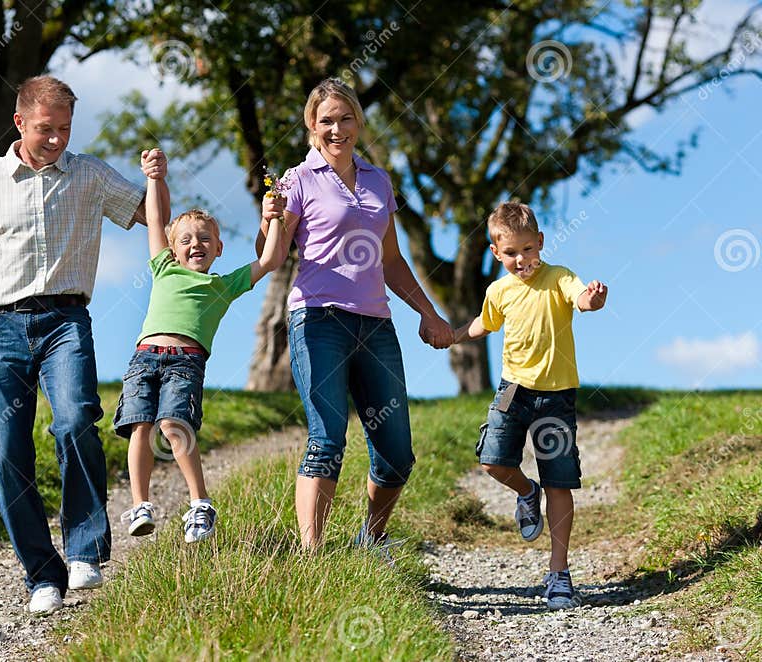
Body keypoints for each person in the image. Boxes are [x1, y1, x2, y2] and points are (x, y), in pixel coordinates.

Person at [0, 75, 167, 615]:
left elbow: (150, 217)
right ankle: (42, 573)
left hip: (65, 321)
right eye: (46, 129)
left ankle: (84, 551)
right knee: (5, 451)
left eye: (65, 128)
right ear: (19, 122)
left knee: (76, 420)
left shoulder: (89, 175)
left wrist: (157, 182)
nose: (57, 139)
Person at [254, 77, 453, 552]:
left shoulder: (379, 180)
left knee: (397, 455)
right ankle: (313, 558)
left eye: (346, 119)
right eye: (326, 120)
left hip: (375, 324)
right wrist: (268, 219)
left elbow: (392, 259)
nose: (336, 129)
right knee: (327, 439)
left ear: (359, 123)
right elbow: (271, 255)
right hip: (318, 319)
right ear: (311, 124)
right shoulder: (297, 180)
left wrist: (429, 312)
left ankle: (371, 540)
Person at [113, 164, 287, 542]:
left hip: (185, 362)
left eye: (206, 238)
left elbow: (271, 259)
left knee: (174, 426)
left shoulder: (224, 285)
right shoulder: (163, 268)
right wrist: (154, 178)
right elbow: (155, 218)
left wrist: (274, 216)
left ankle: (200, 504)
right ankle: (140, 504)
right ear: (172, 249)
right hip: (144, 358)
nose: (196, 244)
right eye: (186, 239)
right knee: (140, 426)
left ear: (219, 248)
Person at [452, 201, 608, 609]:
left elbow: (581, 300)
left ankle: (559, 573)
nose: (521, 259)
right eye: (511, 253)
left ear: (539, 242)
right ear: (495, 252)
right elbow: (484, 324)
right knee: (492, 461)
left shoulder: (559, 277)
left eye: (527, 249)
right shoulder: (498, 291)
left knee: (560, 482)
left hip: (556, 396)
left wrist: (593, 300)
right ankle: (526, 491)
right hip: (512, 390)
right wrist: (452, 336)